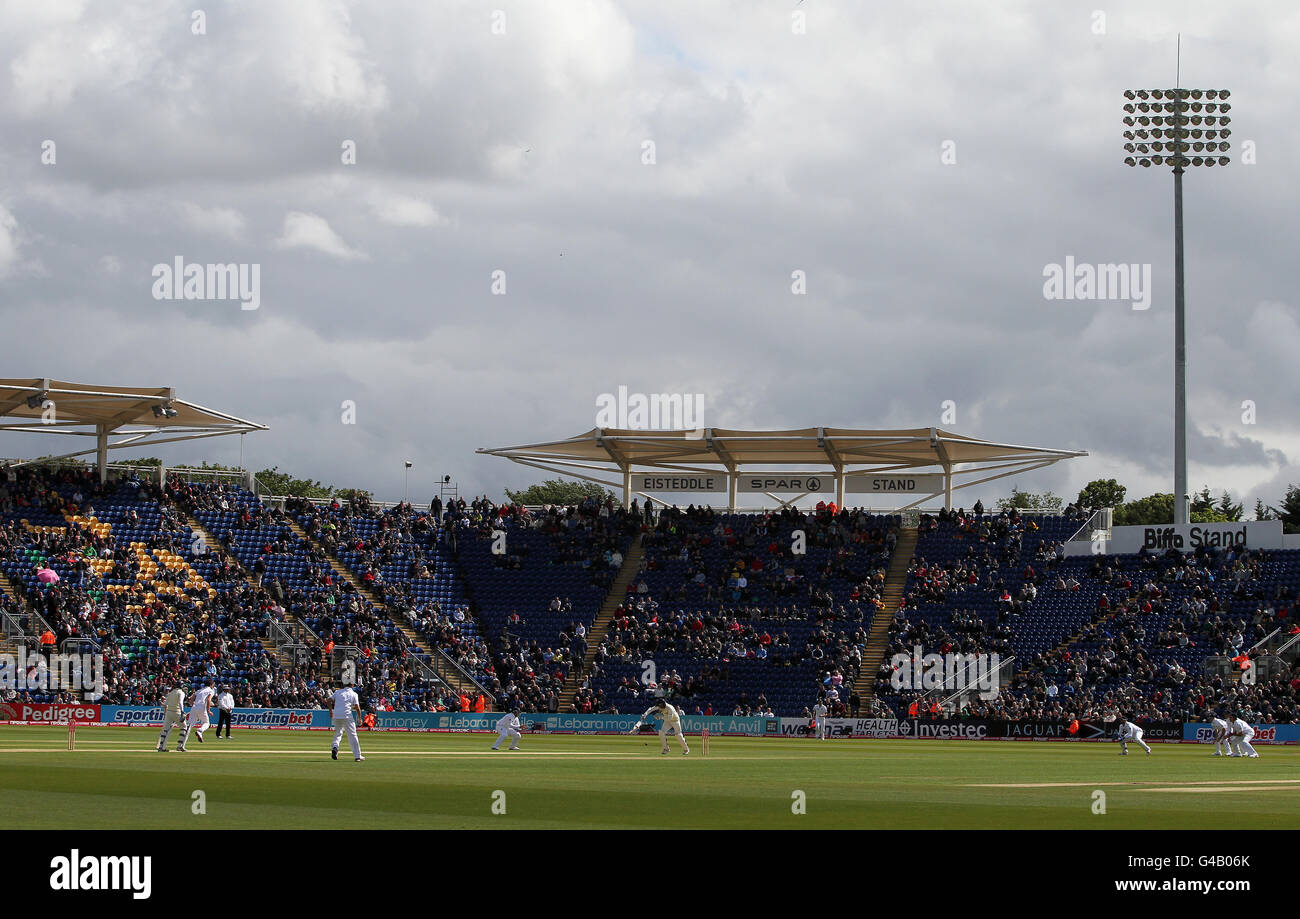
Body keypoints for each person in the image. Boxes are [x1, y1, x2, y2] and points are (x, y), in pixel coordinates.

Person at [330, 682, 365, 762]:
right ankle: (357, 756)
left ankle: (335, 747)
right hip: (347, 716)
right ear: (352, 685)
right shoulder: (354, 694)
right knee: (352, 735)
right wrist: (359, 718)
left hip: (336, 715)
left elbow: (329, 700)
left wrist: (330, 711)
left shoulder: (337, 692)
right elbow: (357, 707)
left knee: (338, 733)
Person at [181, 679, 216, 747]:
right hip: (202, 708)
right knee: (206, 723)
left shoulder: (199, 690)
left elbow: (191, 699)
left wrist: (193, 705)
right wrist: (208, 710)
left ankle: (182, 745)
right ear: (211, 685)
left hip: (194, 707)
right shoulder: (211, 690)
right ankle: (200, 731)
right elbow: (209, 700)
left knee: (189, 727)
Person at [156, 684, 187, 753]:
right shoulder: (181, 693)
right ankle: (179, 746)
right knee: (184, 727)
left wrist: (161, 703)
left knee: (165, 729)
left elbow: (165, 704)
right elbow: (180, 702)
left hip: (169, 712)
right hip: (177, 712)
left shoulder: (171, 693)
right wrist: (182, 711)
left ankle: (161, 747)